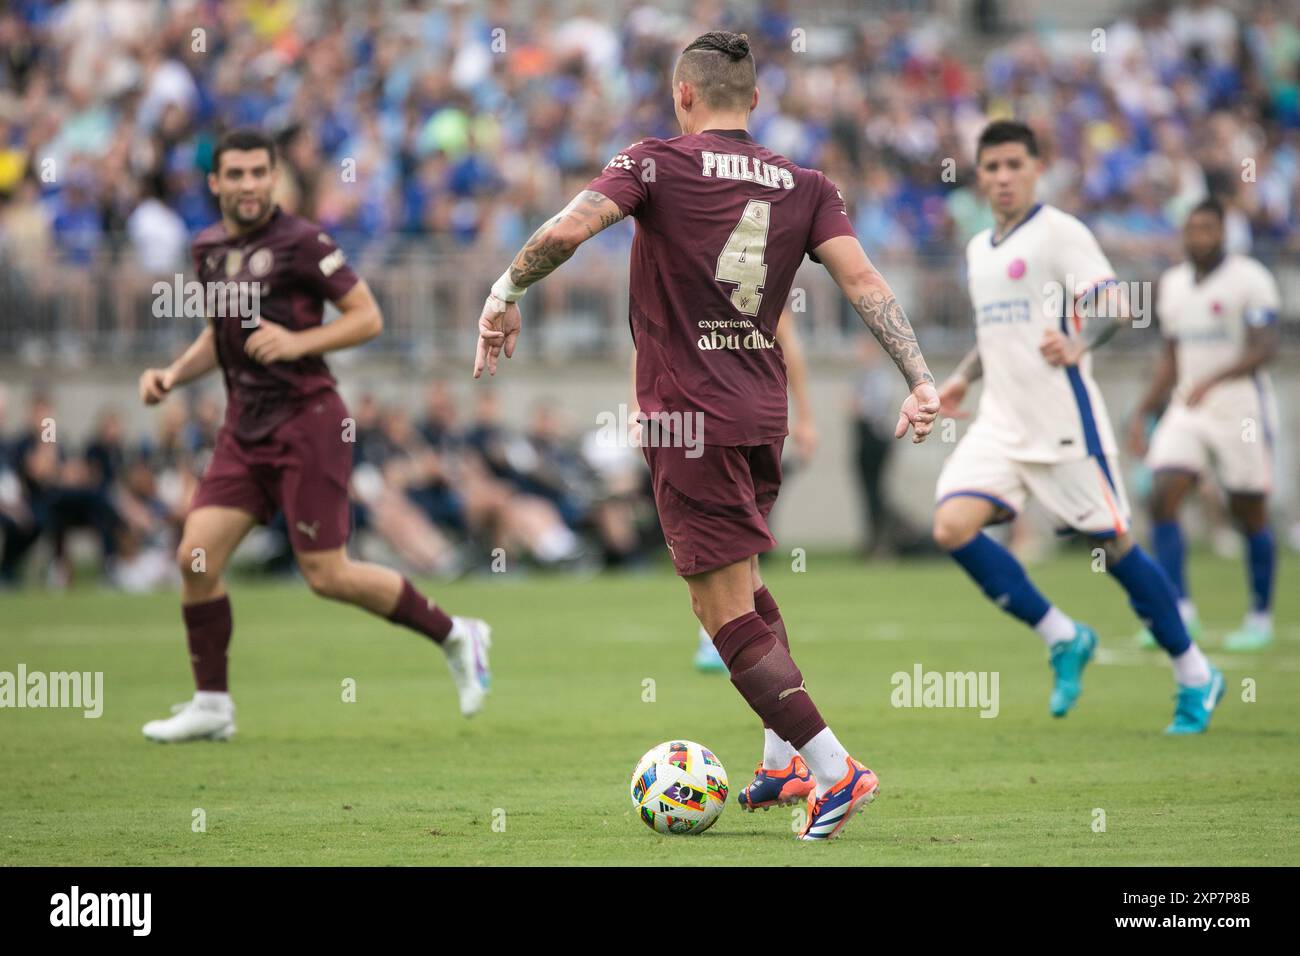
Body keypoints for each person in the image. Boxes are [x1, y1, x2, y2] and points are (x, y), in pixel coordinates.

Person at [472, 32, 938, 840]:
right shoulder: (807, 183)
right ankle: (782, 758)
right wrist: (922, 379)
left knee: (718, 609)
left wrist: (502, 291)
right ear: (754, 101)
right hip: (760, 415)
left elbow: (565, 232)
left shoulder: (653, 162)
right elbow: (865, 282)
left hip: (690, 416)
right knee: (747, 587)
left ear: (682, 94)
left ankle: (835, 769)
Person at [136, 129, 490, 743]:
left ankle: (457, 633)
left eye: (258, 172)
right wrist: (172, 374)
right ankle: (212, 704)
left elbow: (367, 317)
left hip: (309, 423)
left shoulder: (302, 243)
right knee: (194, 560)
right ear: (215, 183)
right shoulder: (207, 248)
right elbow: (219, 339)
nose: (249, 184)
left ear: (273, 178)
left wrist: (298, 342)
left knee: (326, 574)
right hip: (243, 430)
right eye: (236, 174)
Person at [933, 120, 1223, 735]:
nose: (1004, 177)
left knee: (1112, 548)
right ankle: (1063, 635)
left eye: (1015, 164)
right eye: (992, 167)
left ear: (1038, 167)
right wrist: (962, 378)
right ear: (979, 175)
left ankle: (1196, 673)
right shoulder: (978, 249)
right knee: (951, 526)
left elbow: (1117, 306)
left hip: (1064, 425)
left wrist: (1079, 338)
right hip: (999, 422)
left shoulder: (1061, 234)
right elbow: (998, 334)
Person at [1127, 197, 1281, 652]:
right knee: (1162, 494)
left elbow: (1264, 348)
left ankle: (1259, 616)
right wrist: (1143, 410)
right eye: (1192, 229)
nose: (1199, 237)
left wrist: (1213, 379)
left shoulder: (1251, 280)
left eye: (1208, 229)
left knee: (1247, 510)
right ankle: (1178, 610)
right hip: (1188, 406)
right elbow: (1172, 359)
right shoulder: (1173, 285)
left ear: (1224, 232)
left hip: (1238, 406)